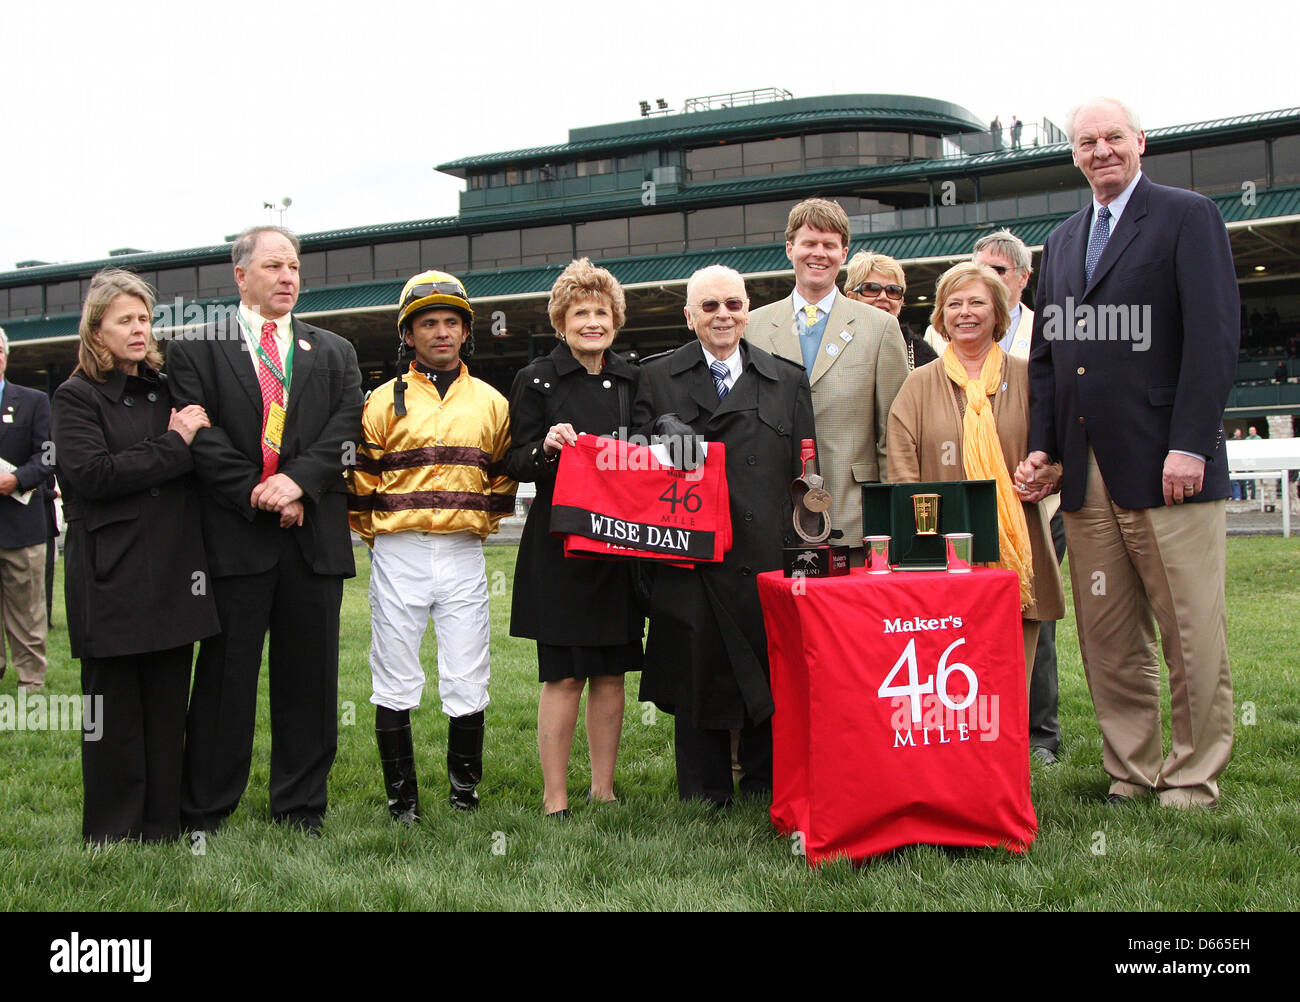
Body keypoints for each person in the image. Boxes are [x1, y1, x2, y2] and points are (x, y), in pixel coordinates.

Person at [1021, 97, 1239, 809]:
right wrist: (1046, 448)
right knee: (1108, 632)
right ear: (1075, 155)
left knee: (1189, 629)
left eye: (1113, 137)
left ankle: (1193, 774)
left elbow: (1213, 338)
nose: (1101, 150)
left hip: (1168, 466)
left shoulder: (1187, 217)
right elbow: (1050, 359)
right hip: (1085, 475)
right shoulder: (1058, 241)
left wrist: (1191, 445)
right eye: (1087, 141)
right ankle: (1131, 767)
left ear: (1140, 142)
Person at [168, 225, 363, 835]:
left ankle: (300, 806)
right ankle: (207, 807)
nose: (288, 278)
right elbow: (202, 441)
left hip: (311, 542)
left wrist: (298, 483)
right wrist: (260, 493)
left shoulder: (334, 352)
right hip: (234, 541)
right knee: (226, 679)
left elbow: (346, 430)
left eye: (295, 268)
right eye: (275, 266)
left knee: (310, 679)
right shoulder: (195, 349)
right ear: (241, 276)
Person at [633, 264, 814, 806]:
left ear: (748, 311)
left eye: (733, 304)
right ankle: (703, 790)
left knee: (768, 661)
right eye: (709, 307)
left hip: (764, 550)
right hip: (688, 554)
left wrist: (806, 542)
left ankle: (762, 781)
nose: (723, 315)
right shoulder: (656, 376)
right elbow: (635, 466)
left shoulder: (786, 377)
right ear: (689, 316)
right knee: (695, 664)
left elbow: (808, 470)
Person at [51, 268, 219, 843]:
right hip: (111, 575)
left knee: (168, 706)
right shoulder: (75, 396)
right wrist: (173, 445)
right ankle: (111, 830)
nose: (139, 329)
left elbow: (200, 462)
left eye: (145, 318)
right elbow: (93, 475)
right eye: (124, 320)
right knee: (113, 713)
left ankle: (162, 825)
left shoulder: (167, 390)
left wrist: (179, 445)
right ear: (95, 331)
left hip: (175, 571)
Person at [349, 270, 514, 820]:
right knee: (395, 676)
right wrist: (384, 537)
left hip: (464, 551)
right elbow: (361, 482)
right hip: (399, 551)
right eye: (428, 323)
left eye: (450, 322)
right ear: (408, 334)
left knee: (468, 674)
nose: (440, 332)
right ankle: (403, 805)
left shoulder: (492, 401)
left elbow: (501, 480)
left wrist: (474, 526)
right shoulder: (379, 400)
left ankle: (464, 799)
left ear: (466, 331)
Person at [506, 259, 642, 818]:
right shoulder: (535, 379)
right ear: (561, 322)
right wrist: (548, 448)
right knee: (563, 673)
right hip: (561, 548)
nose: (593, 322)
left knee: (611, 672)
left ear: (615, 320)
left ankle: (604, 789)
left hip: (623, 544)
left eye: (602, 312)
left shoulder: (635, 377)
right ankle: (554, 797)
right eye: (581, 313)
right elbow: (514, 460)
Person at [888, 263, 1064, 683]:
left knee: (1013, 665)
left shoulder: (1029, 377)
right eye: (954, 304)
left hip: (1019, 540)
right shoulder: (917, 384)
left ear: (998, 312)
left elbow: (1058, 453)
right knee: (950, 664)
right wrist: (922, 537)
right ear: (942, 316)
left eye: (976, 302)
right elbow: (901, 469)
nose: (965, 312)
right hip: (941, 548)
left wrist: (1049, 475)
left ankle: (1013, 746)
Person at [746, 198, 908, 565]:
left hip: (855, 515)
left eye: (829, 245)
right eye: (809, 243)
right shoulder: (752, 327)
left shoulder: (880, 328)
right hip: (772, 515)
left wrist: (892, 518)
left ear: (843, 253)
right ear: (790, 249)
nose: (818, 254)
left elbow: (893, 436)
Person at [0, 326, 51, 693]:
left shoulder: (34, 401)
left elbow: (48, 457)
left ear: (5, 356)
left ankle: (30, 680)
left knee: (27, 611)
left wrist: (16, 479)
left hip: (21, 525)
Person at [843, 251, 937, 371]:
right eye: (871, 289)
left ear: (900, 302)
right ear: (851, 298)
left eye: (893, 290)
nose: (883, 297)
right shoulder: (833, 344)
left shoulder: (922, 354)